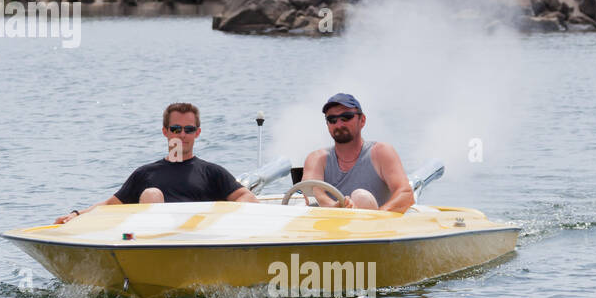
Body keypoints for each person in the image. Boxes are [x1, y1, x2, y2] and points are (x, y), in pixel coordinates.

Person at [55, 102, 258, 223]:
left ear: (197, 133)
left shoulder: (212, 172)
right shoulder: (145, 174)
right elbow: (110, 205)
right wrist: (76, 214)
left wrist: (221, 216)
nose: (182, 135)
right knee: (152, 194)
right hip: (154, 242)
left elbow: (247, 197)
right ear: (165, 132)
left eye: (188, 129)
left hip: (197, 238)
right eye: (176, 129)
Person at [301, 93, 414, 212]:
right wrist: (335, 207)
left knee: (361, 196)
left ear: (362, 120)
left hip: (375, 226)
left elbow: (406, 194)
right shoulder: (316, 158)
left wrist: (378, 216)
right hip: (332, 225)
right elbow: (310, 193)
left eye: (346, 117)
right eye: (332, 120)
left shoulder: (381, 153)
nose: (339, 124)